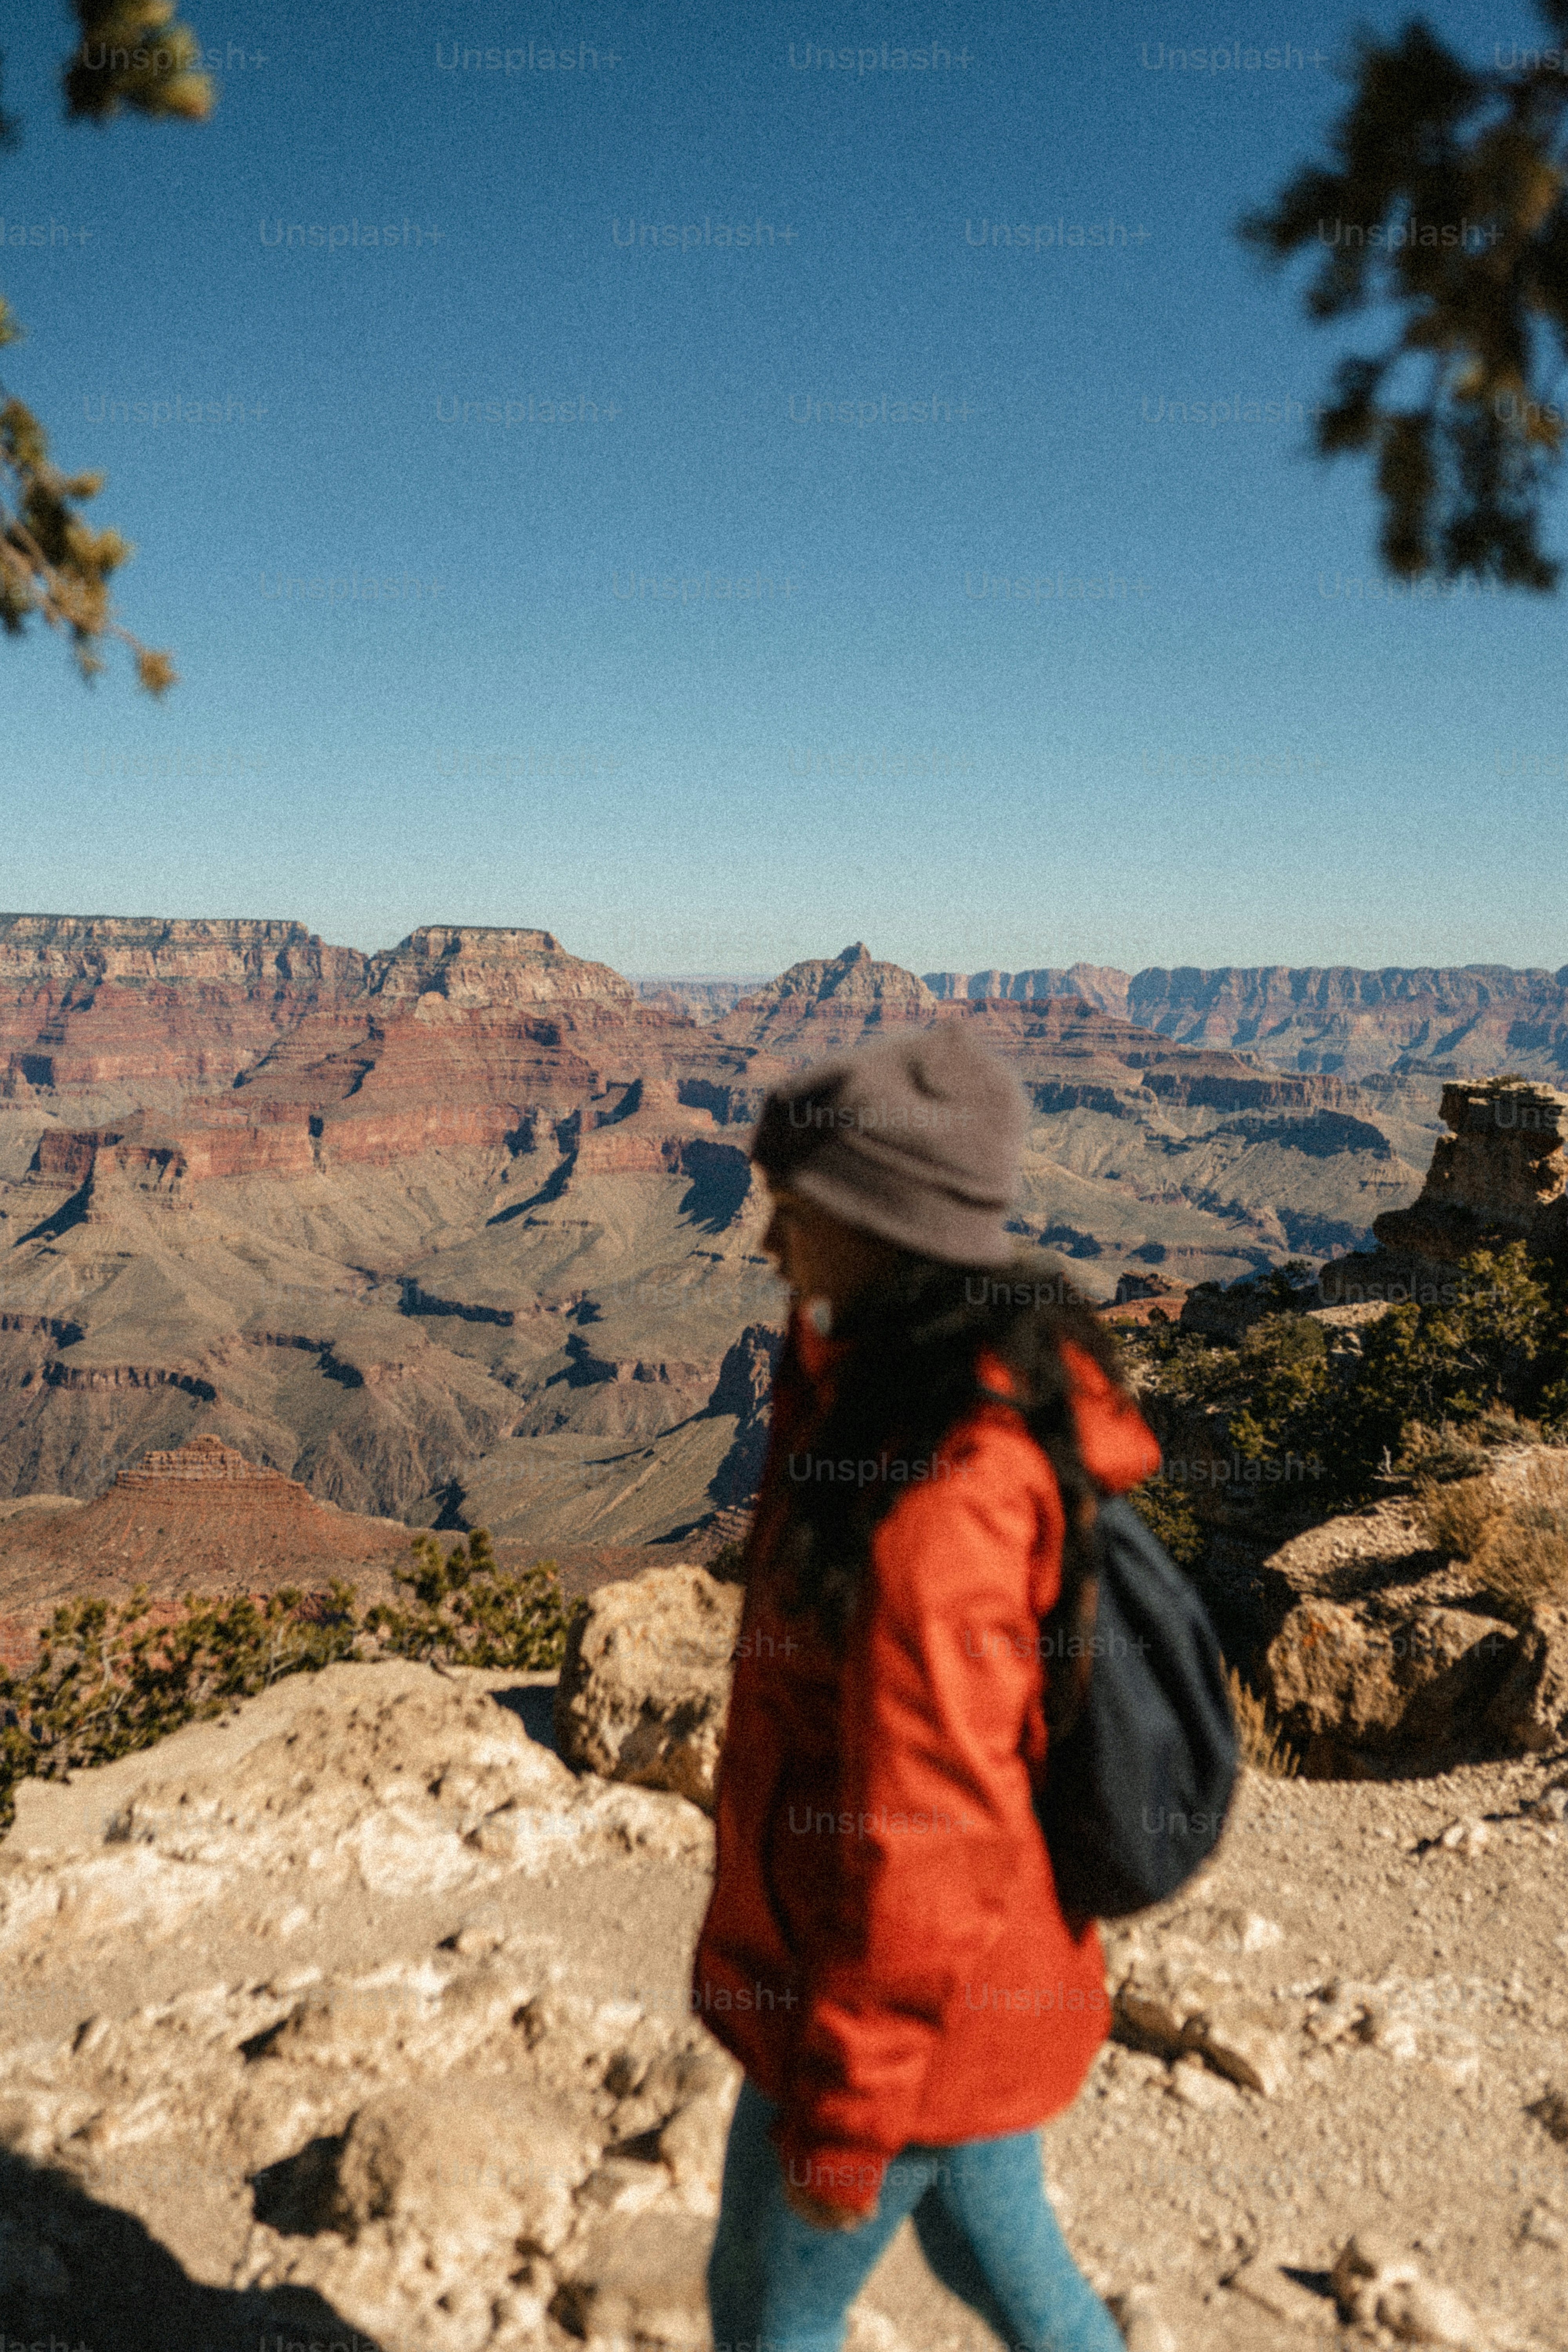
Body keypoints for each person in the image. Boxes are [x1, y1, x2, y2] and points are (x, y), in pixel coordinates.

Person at [693, 1022, 1161, 2352]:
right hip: (984, 1996)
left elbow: (926, 1840)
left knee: (767, 2318)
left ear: (884, 1231)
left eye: (796, 1216)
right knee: (1000, 2264)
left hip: (888, 2007)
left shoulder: (938, 1514)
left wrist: (842, 2119)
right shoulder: (924, 1371)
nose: (769, 1248)